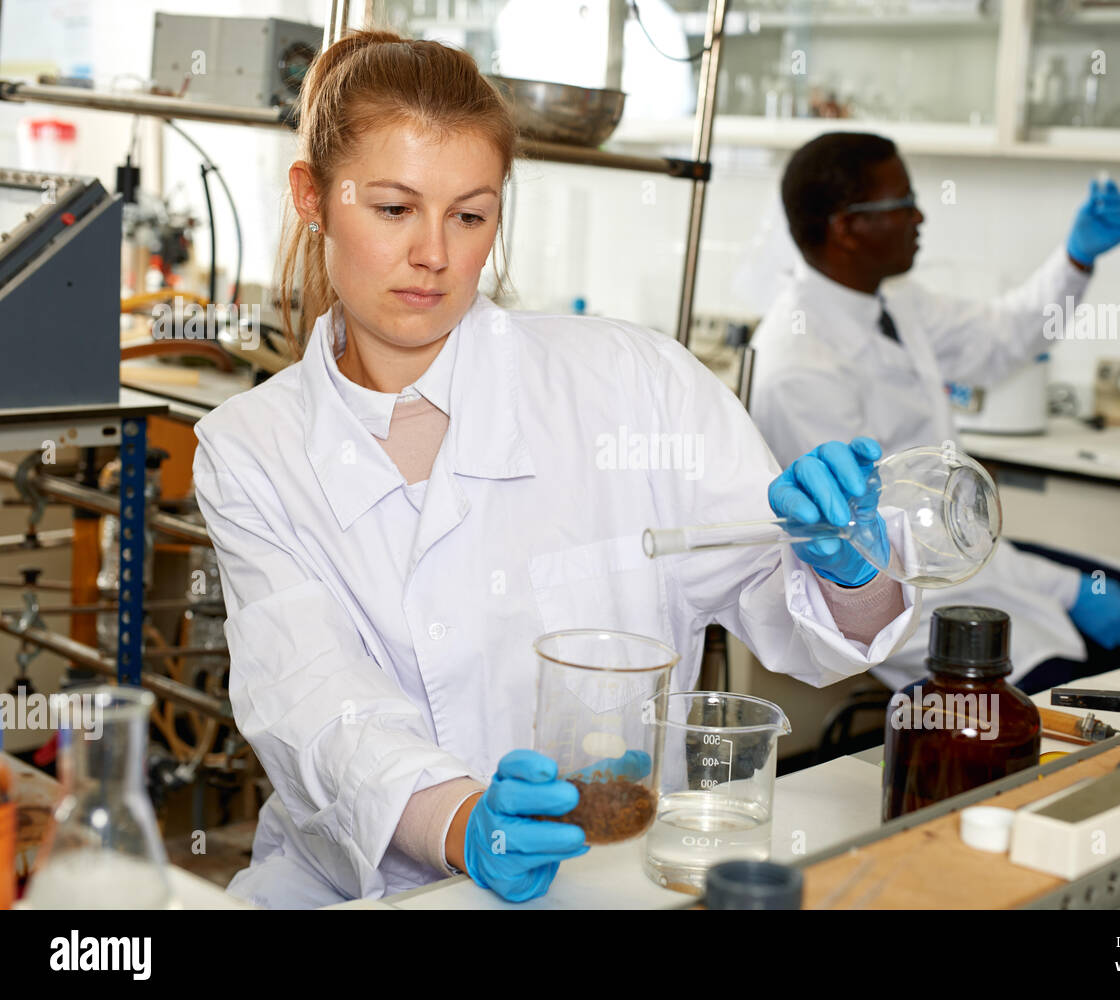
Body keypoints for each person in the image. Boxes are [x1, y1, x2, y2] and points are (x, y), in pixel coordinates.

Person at [192, 34, 920, 909]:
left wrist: (851, 569)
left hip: (613, 875)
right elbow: (314, 702)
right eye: (392, 209)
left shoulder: (633, 382)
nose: (435, 254)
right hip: (360, 891)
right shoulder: (252, 447)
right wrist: (465, 825)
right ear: (312, 195)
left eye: (470, 215)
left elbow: (802, 621)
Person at [748, 132, 1120, 694]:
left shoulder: (894, 299)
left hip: (958, 546)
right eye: (901, 204)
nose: (919, 216)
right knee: (1054, 682)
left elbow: (1000, 339)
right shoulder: (798, 367)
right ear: (845, 228)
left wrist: (1075, 259)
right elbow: (888, 537)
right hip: (905, 589)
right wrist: (1063, 588)